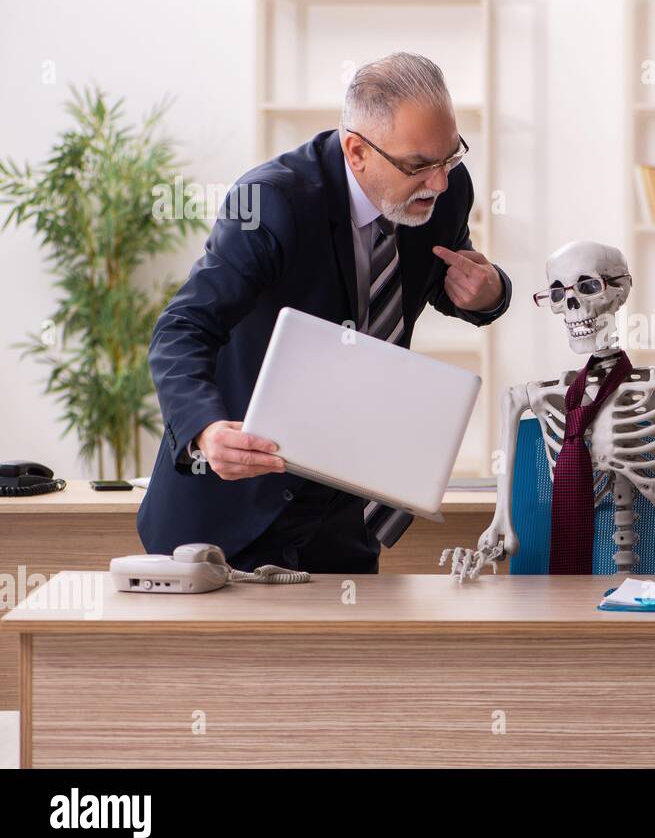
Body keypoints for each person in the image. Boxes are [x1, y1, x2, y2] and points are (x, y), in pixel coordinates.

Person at [137, 52, 510, 573]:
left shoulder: (444, 195)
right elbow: (182, 330)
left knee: (351, 656)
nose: (441, 181)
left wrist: (489, 292)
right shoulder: (271, 202)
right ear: (356, 150)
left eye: (450, 157)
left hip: (344, 510)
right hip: (230, 513)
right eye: (420, 165)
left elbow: (441, 281)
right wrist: (206, 431)